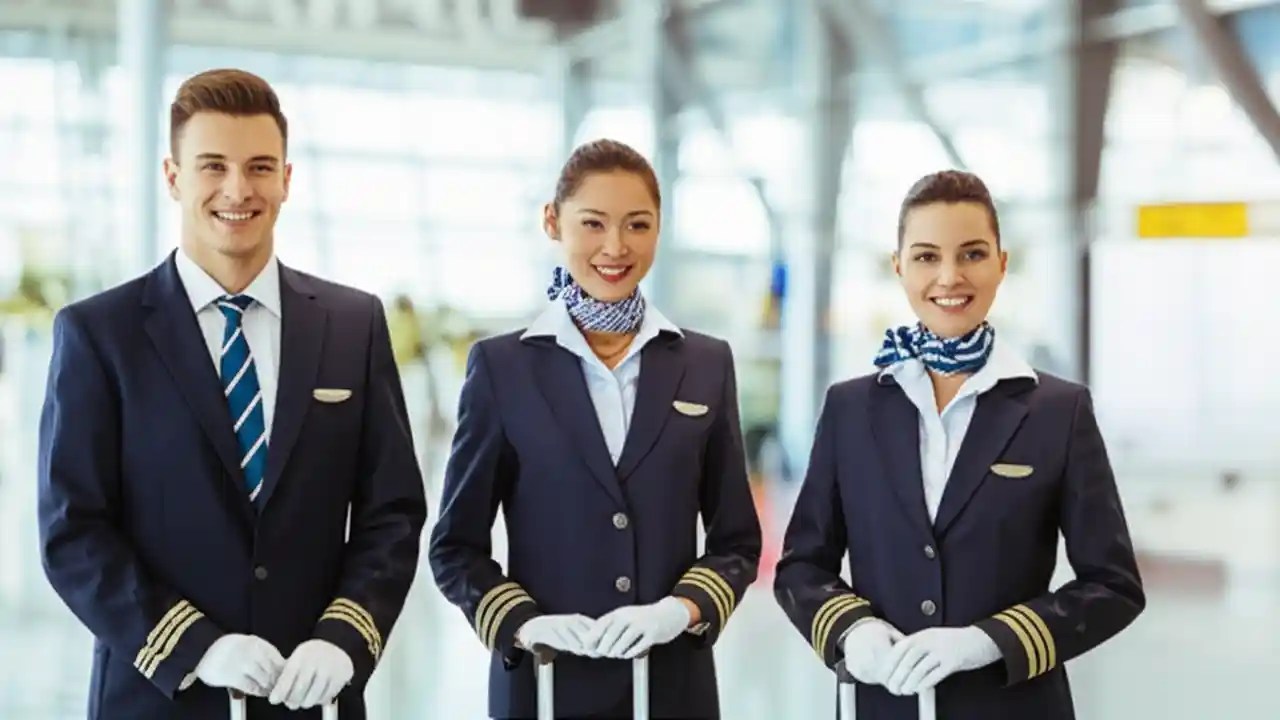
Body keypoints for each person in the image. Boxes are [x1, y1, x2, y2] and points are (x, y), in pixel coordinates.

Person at [37, 68, 428, 719]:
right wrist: (194, 647)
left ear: (286, 180)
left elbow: (392, 511)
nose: (237, 189)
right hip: (158, 696)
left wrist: (345, 636)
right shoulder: (99, 335)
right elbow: (73, 531)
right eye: (212, 166)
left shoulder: (353, 324)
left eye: (259, 167)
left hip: (313, 697)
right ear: (173, 177)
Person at [773, 170, 1144, 719]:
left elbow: (1113, 587)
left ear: (1002, 262)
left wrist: (989, 641)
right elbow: (802, 566)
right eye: (926, 257)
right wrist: (853, 630)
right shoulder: (851, 409)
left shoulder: (1058, 411)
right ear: (898, 266)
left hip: (1013, 706)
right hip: (882, 704)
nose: (949, 276)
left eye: (971, 254)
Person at [428, 138, 761, 719]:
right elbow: (456, 547)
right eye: (593, 223)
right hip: (544, 684)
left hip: (672, 686)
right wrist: (523, 624)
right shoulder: (502, 368)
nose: (615, 246)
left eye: (637, 224)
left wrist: (680, 609)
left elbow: (736, 540)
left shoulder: (706, 364)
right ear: (553, 222)